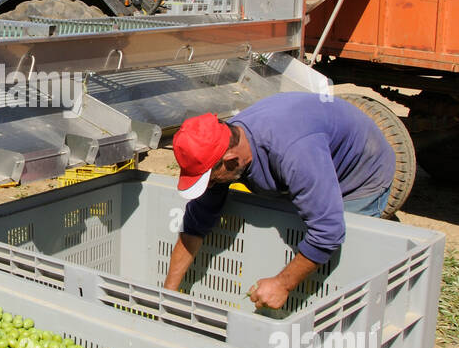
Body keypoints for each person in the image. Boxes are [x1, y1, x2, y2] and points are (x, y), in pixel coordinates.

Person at [163, 93, 396, 310]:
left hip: (360, 175)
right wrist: (169, 294)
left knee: (339, 271)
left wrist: (282, 284)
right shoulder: (224, 144)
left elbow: (329, 232)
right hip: (311, 159)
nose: (210, 187)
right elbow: (197, 221)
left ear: (232, 161)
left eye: (211, 180)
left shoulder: (294, 153)